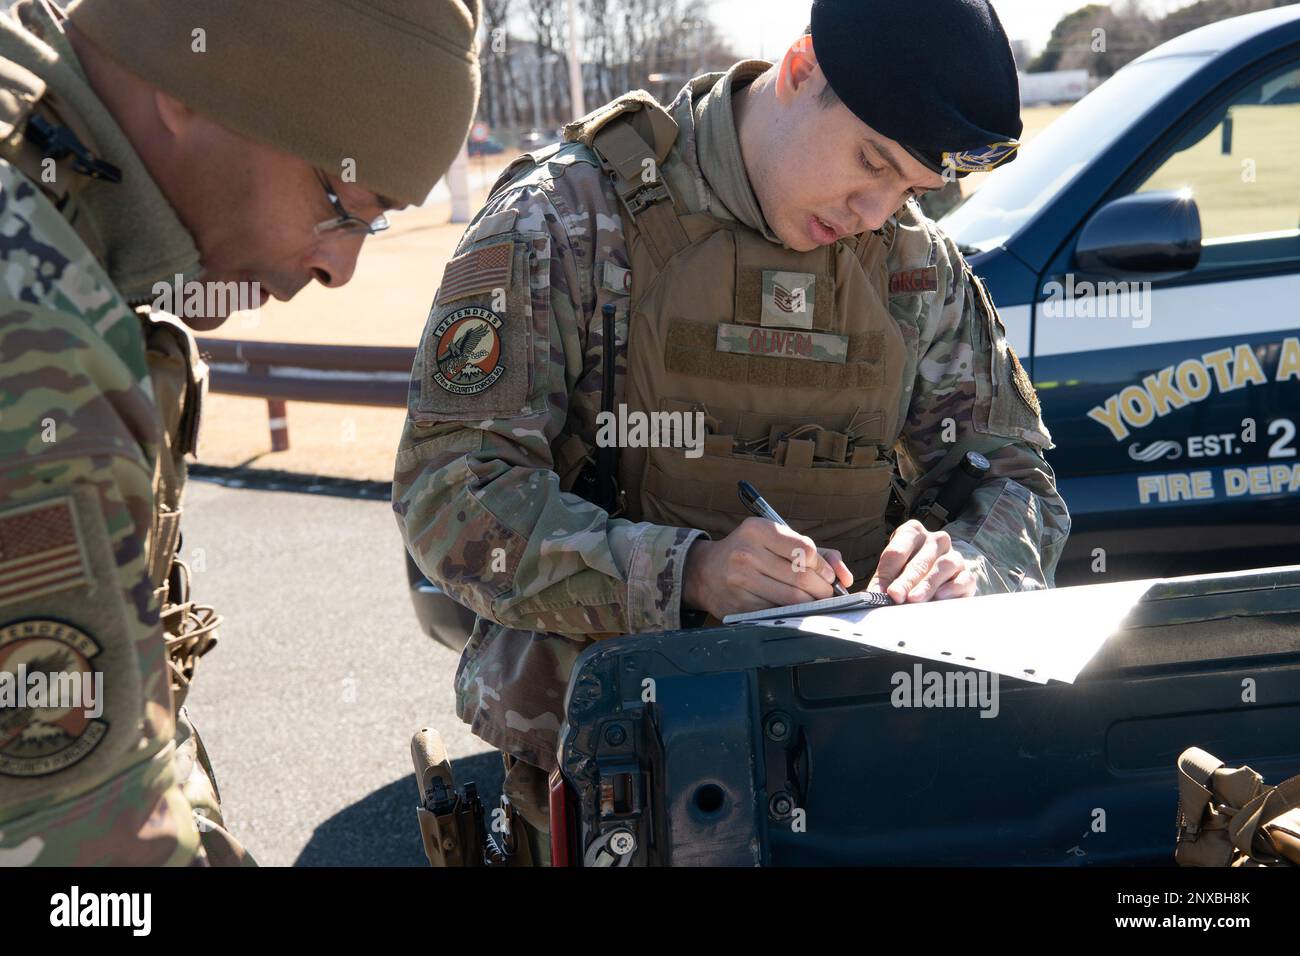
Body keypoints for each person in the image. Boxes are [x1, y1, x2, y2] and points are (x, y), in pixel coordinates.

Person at [394, 0, 1070, 863]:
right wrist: (687, 573)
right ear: (799, 70)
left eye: (908, 188)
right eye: (871, 162)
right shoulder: (565, 218)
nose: (875, 210)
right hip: (611, 780)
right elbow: (451, 493)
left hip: (860, 772)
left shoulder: (913, 268)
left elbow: (1016, 484)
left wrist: (972, 562)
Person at [0, 0, 480, 866]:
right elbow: (88, 865)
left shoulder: (52, 191)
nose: (341, 266)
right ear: (195, 89)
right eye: (342, 205)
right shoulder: (35, 338)